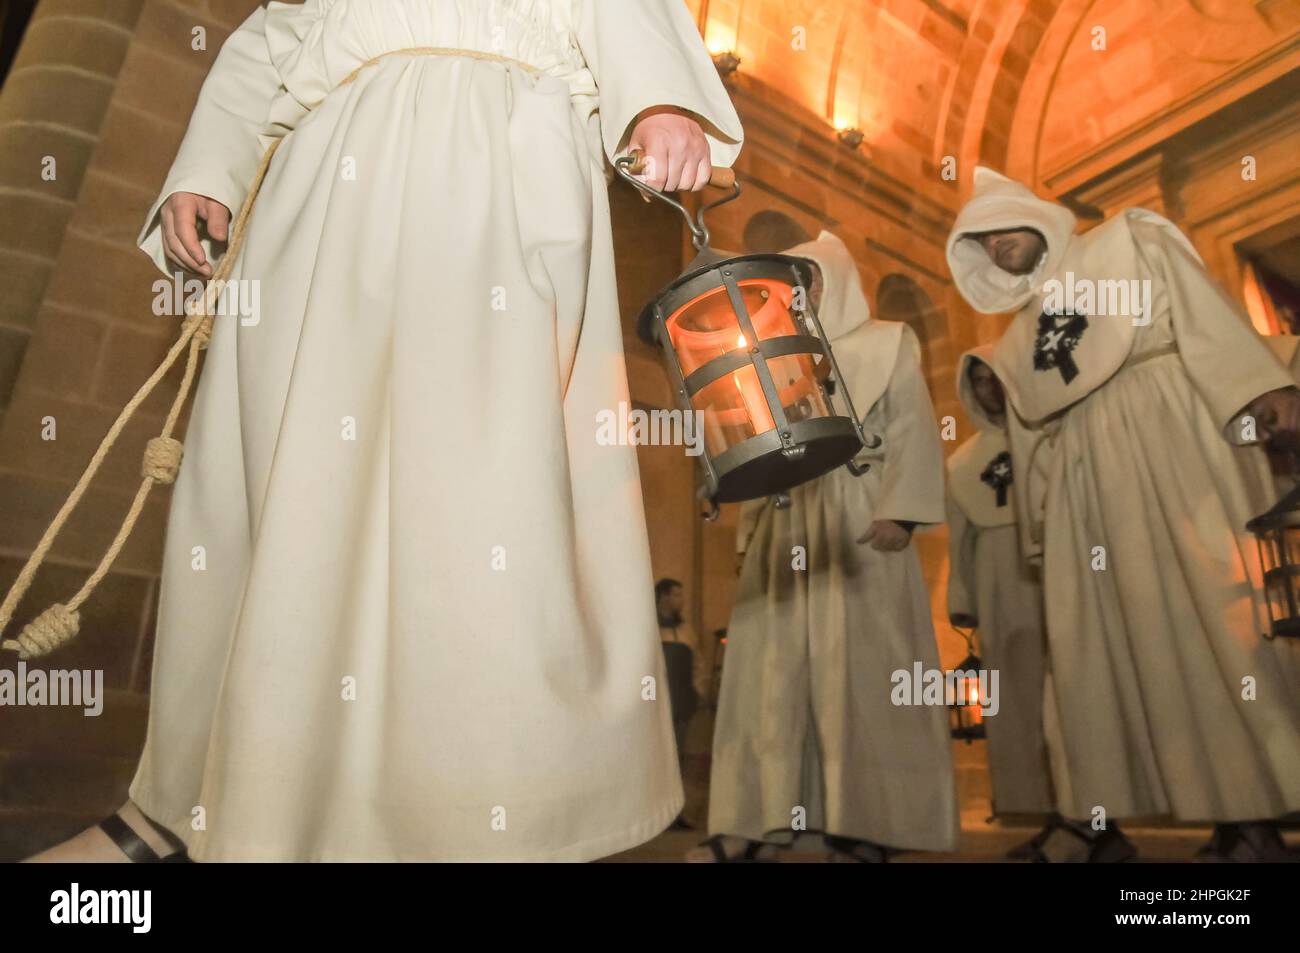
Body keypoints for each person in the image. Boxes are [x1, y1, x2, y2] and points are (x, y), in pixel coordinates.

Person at [25, 0, 743, 863]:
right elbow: (274, 35)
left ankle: (466, 819)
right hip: (322, 185)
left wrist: (658, 101)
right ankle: (223, 810)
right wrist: (207, 168)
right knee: (286, 478)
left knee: (474, 497)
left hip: (496, 173)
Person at [946, 167, 1300, 862]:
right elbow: (1031, 444)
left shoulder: (1127, 238)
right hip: (1084, 485)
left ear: (1034, 215)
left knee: (1216, 622)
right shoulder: (1016, 339)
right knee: (1099, 651)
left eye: (999, 230)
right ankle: (1097, 821)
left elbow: (1202, 312)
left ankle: (1251, 816)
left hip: (1172, 435)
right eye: (977, 243)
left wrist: (1262, 387)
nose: (993, 249)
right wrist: (1045, 530)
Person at [689, 229, 959, 863]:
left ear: (830, 279)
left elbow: (916, 426)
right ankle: (757, 825)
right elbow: (759, 445)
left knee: (861, 674)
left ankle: (866, 827)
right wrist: (746, 522)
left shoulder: (888, 342)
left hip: (858, 518)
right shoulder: (773, 357)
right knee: (769, 676)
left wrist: (903, 512)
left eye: (804, 277)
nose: (793, 291)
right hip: (786, 522)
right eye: (785, 281)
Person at [945, 347, 1055, 855]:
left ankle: (1089, 807)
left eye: (997, 379)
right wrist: (961, 599)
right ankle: (1036, 806)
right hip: (996, 574)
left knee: (1070, 688)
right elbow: (959, 538)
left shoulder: (1048, 439)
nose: (991, 390)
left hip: (1055, 564)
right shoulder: (962, 461)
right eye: (981, 383)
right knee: (1015, 694)